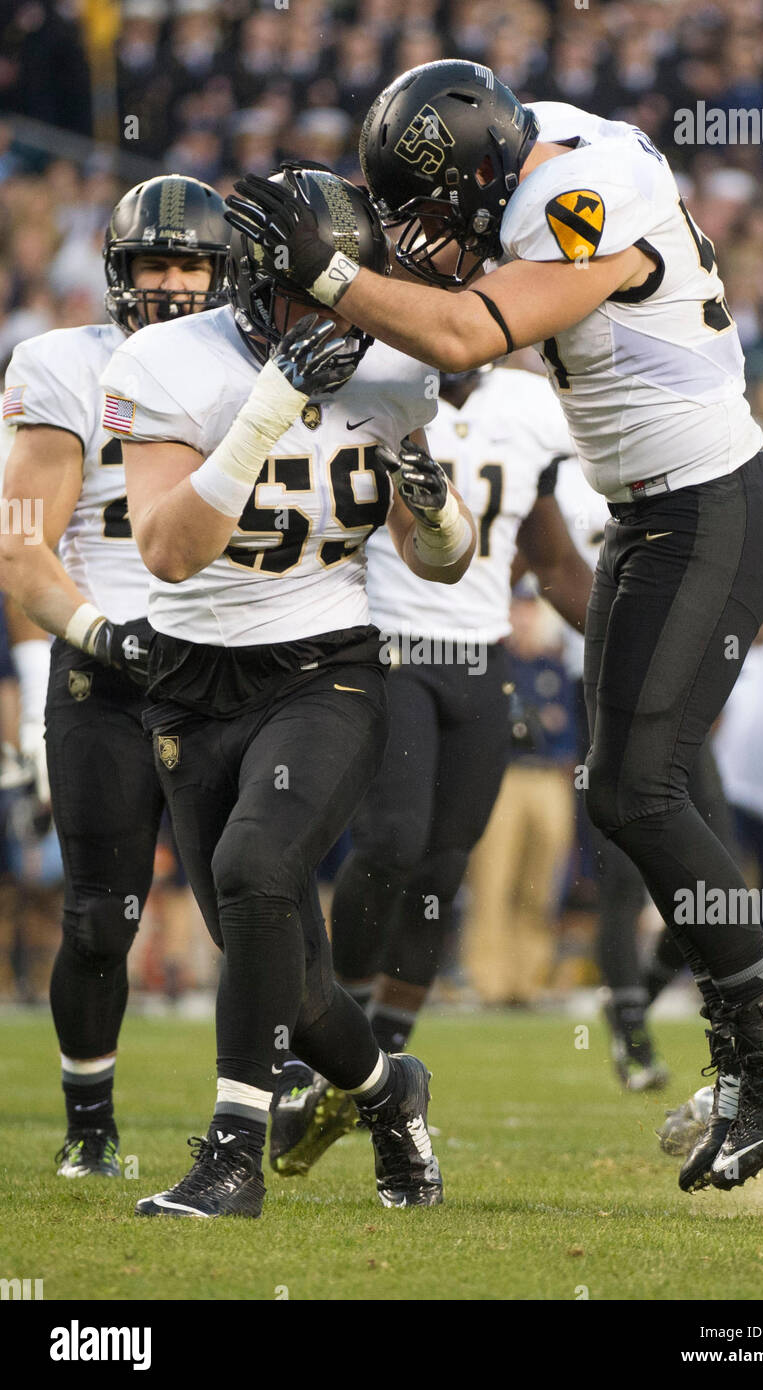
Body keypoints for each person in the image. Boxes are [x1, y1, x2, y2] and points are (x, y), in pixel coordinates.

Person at [224, 61, 763, 1192]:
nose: (417, 239)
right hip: (653, 516)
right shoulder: (532, 145)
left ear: (476, 178)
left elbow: (464, 333)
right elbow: (448, 286)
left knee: (633, 790)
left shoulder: (576, 194)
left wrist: (329, 265)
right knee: (622, 784)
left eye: (426, 214)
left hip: (709, 509)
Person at [100, 163, 469, 1217]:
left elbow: (433, 555)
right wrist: (270, 406)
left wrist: (438, 518)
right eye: (310, 289)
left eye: (342, 289)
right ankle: (391, 1097)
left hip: (324, 666)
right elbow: (169, 552)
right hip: (185, 676)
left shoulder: (396, 370)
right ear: (257, 283)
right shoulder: (167, 361)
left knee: (257, 864)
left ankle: (231, 1156)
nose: (330, 314)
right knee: (287, 978)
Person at [269, 361, 593, 1176]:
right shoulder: (374, 389)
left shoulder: (524, 406)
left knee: (442, 866)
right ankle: (322, 1040)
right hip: (388, 646)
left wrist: (631, 651)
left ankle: (380, 1075)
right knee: (391, 838)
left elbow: (551, 561)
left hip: (480, 659)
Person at [0, 174, 230, 1178]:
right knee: (102, 910)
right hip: (106, 662)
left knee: (254, 900)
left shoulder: (251, 369)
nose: (170, 282)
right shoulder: (63, 365)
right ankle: (90, 1123)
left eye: (187, 263)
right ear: (118, 271)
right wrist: (101, 635)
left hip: (229, 662)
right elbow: (18, 543)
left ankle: (284, 1097)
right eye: (152, 262)